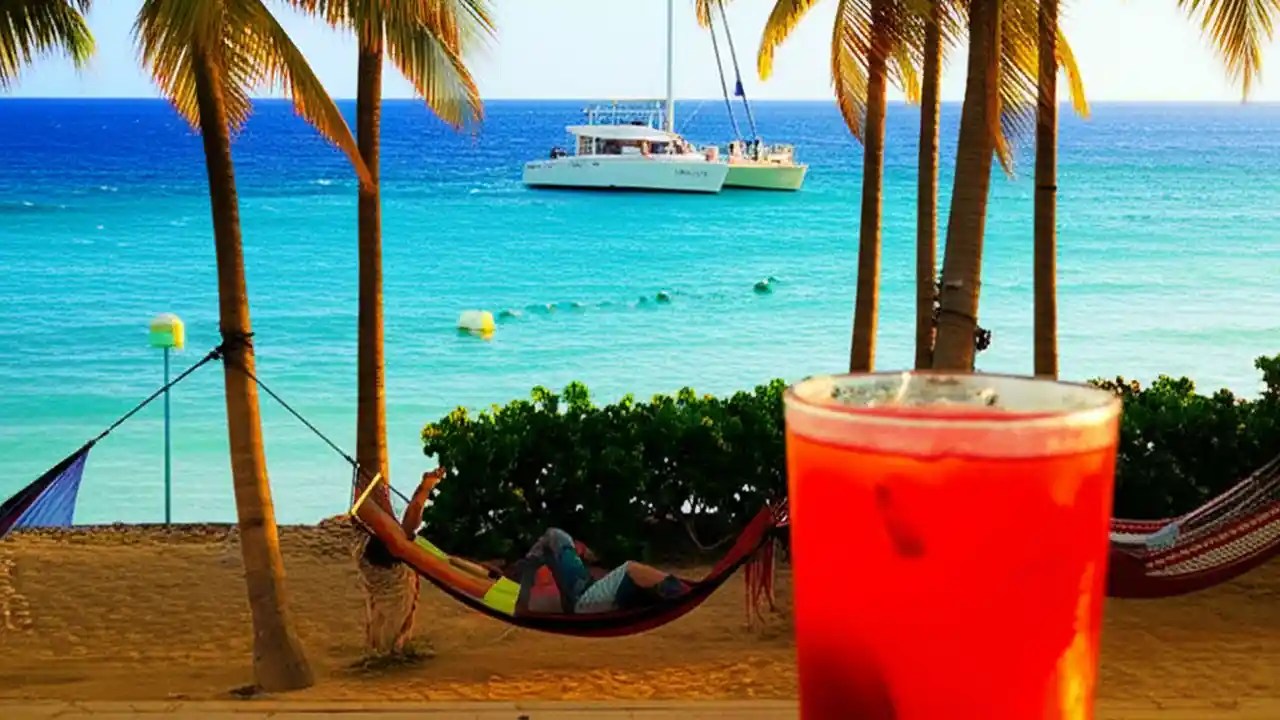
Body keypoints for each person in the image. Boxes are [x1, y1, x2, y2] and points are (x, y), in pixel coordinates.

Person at [366, 468, 690, 615]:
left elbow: (405, 532)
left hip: (560, 599)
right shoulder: (418, 556)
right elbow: (400, 542)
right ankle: (682, 593)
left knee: (555, 541)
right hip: (572, 604)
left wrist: (424, 489)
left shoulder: (423, 549)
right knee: (559, 539)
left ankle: (678, 592)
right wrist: (365, 509)